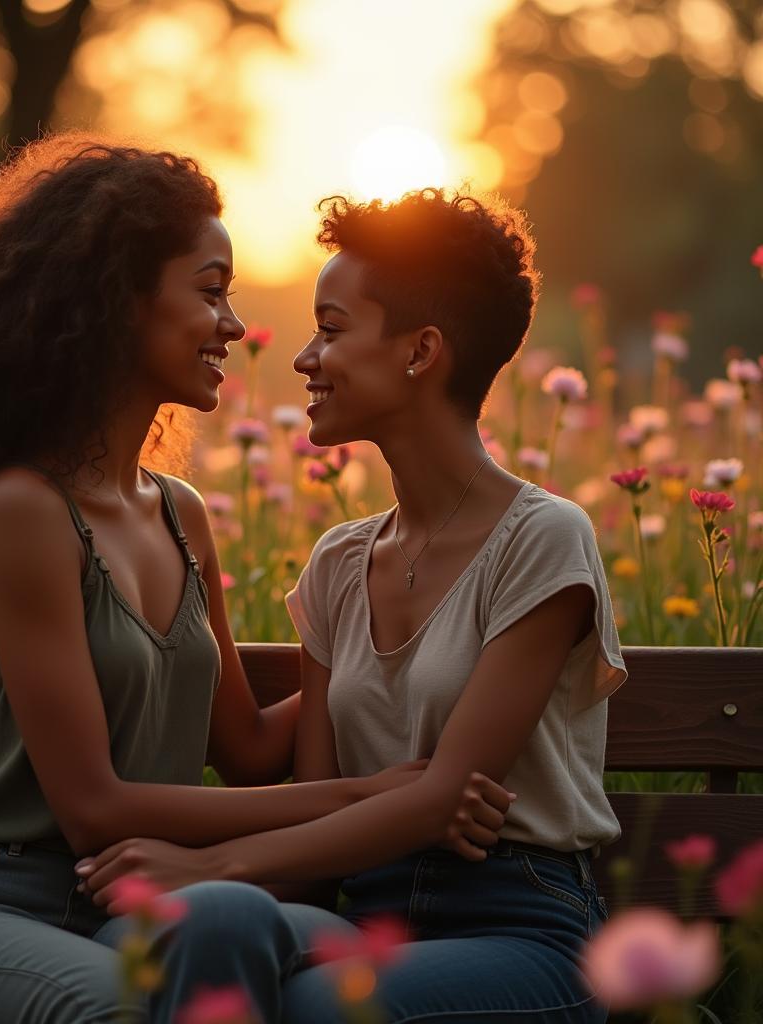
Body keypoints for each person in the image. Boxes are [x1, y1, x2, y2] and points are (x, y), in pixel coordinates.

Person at [0, 136, 511, 1024]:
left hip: (128, 911)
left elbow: (249, 752)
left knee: (265, 953)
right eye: (210, 290)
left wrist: (417, 648)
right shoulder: (23, 512)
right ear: (118, 299)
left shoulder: (179, 514)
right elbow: (93, 810)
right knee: (133, 1010)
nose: (233, 324)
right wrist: (375, 794)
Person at [77, 187, 628, 1023]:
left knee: (317, 1006)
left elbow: (447, 795)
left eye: (331, 330)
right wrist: (217, 895)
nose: (305, 358)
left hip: (520, 926)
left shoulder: (543, 538)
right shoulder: (338, 564)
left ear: (420, 351)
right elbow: (316, 843)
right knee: (207, 945)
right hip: (364, 922)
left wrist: (212, 865)